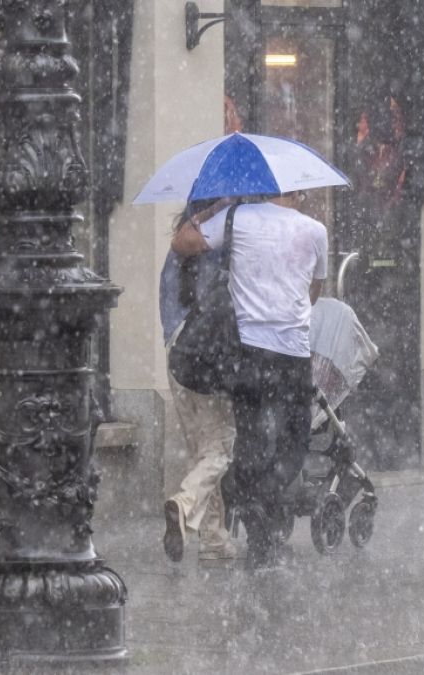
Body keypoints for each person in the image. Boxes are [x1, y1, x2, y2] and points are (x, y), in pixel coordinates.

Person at [172, 192, 328, 569]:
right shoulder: (315, 230)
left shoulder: (237, 218)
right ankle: (265, 507)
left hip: (248, 352)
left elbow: (182, 243)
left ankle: (255, 513)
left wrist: (211, 212)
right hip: (291, 351)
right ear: (299, 191)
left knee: (252, 439)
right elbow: (315, 289)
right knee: (294, 439)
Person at [161, 197, 240, 563]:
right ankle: (184, 502)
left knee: (201, 449)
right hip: (207, 353)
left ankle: (213, 539)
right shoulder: (220, 247)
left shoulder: (177, 249)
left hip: (175, 354)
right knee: (220, 447)